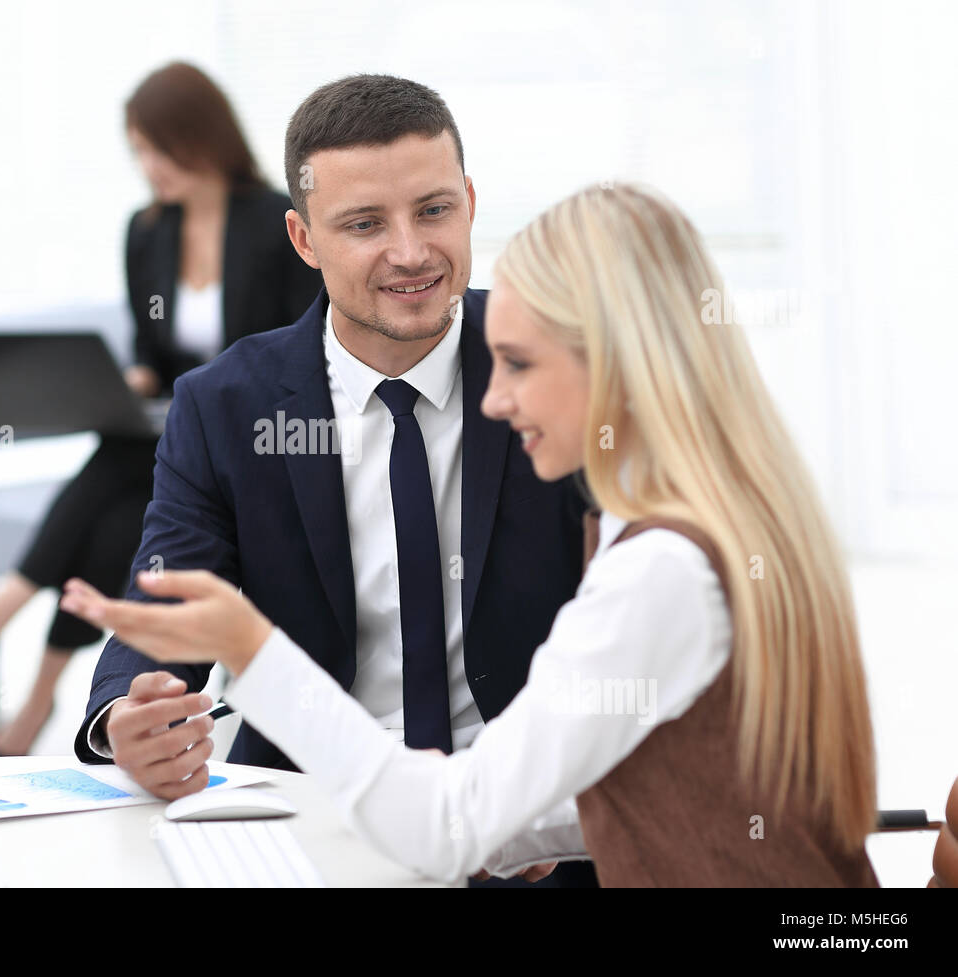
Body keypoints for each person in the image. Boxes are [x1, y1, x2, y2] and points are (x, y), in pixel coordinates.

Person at [60, 181, 881, 887]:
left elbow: (446, 826)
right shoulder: (722, 518)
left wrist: (253, 649)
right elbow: (680, 770)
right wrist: (519, 822)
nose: (494, 396)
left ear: (621, 363)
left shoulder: (660, 567)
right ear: (304, 239)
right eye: (364, 222)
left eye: (520, 366)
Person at [73, 74, 600, 887]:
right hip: (315, 829)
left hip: (533, 838)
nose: (412, 251)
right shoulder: (224, 406)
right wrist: (127, 714)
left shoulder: (563, 363)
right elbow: (168, 600)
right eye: (364, 224)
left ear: (468, 200)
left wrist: (557, 803)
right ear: (304, 238)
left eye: (433, 209)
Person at [0, 61, 320, 755]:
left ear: (202, 137)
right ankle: (32, 699)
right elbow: (154, 345)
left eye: (159, 148)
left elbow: (291, 346)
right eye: (139, 153)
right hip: (168, 425)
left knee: (124, 497)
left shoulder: (273, 224)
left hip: (250, 422)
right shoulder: (147, 230)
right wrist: (136, 375)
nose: (149, 167)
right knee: (125, 484)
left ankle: (9, 626)